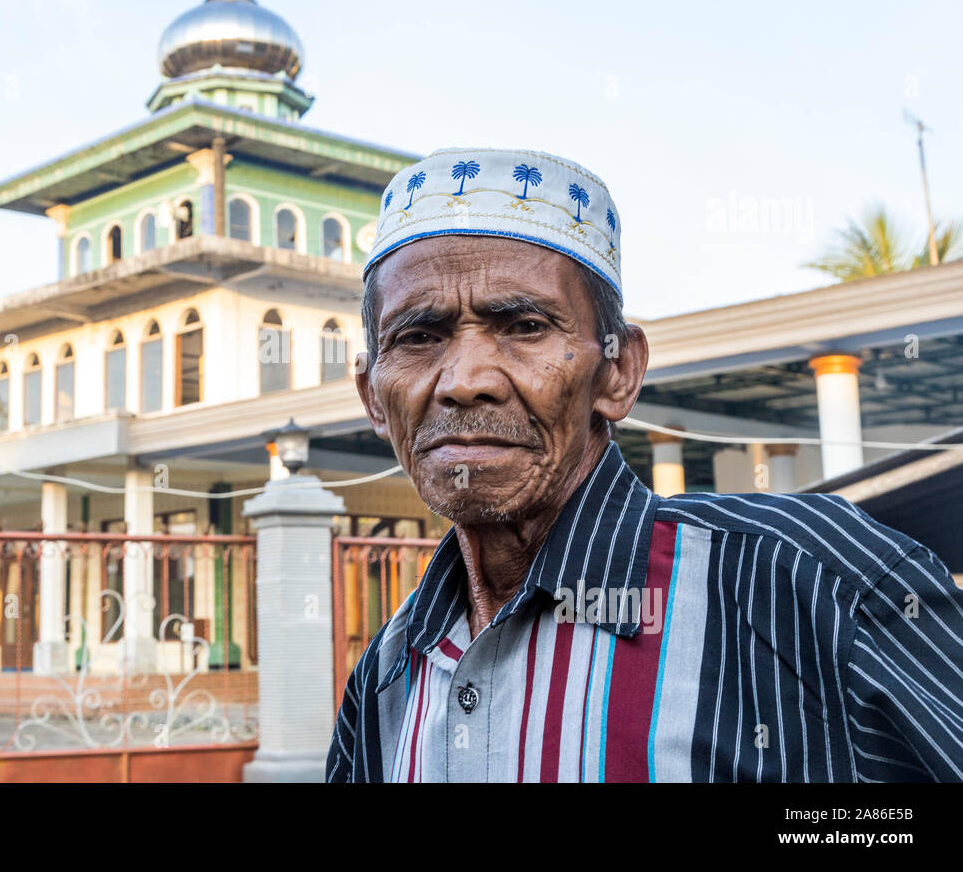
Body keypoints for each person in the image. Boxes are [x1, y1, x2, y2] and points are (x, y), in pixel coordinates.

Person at [327, 147, 963, 782]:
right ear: (372, 398)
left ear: (619, 372)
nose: (464, 381)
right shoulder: (386, 674)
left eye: (524, 327)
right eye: (417, 337)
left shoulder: (813, 584)